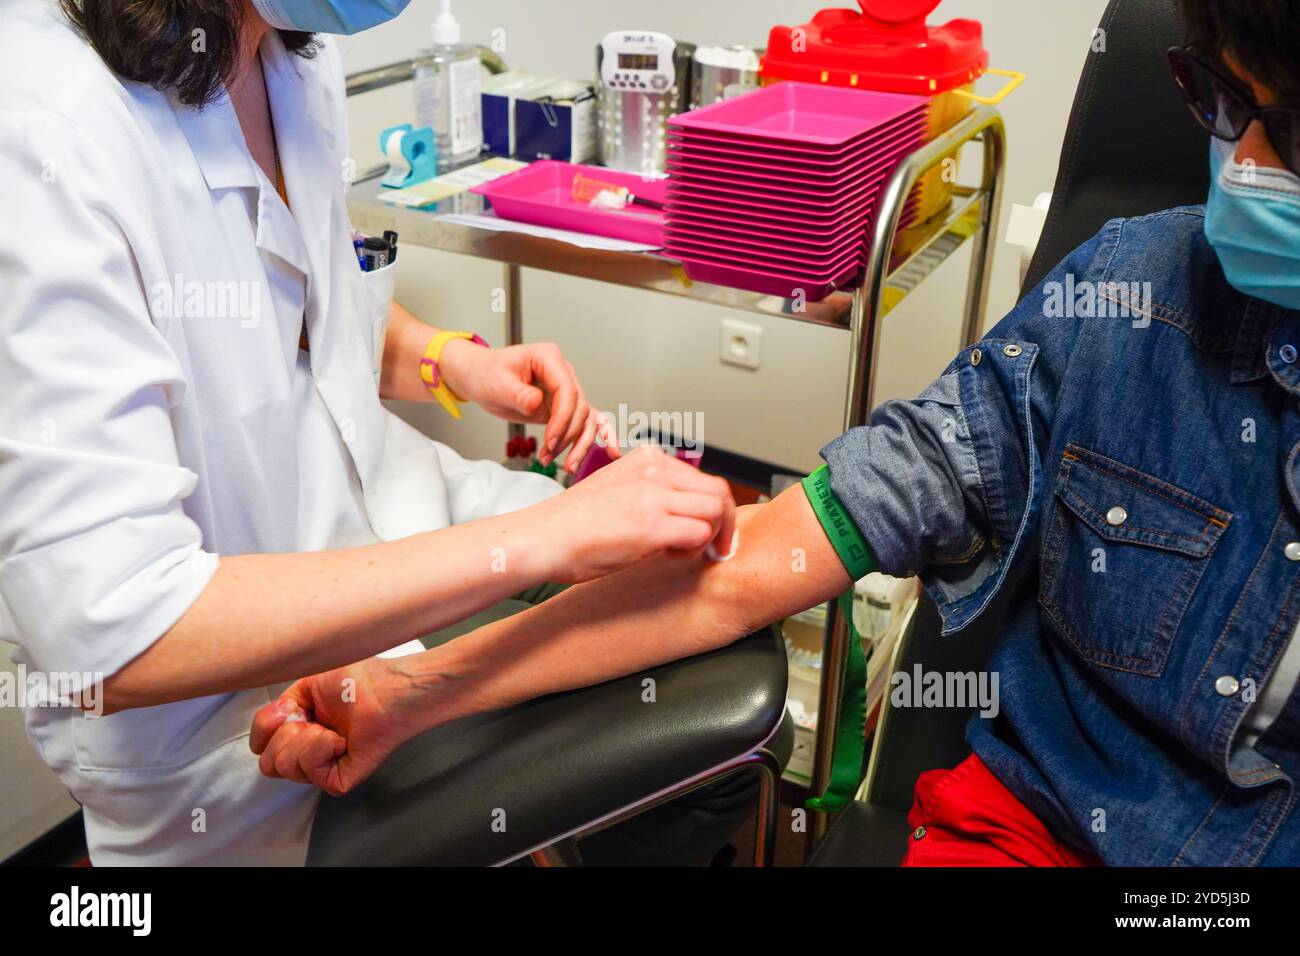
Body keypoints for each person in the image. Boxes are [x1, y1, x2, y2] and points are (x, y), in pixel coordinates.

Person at [255, 0, 1300, 866]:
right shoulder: (1126, 301)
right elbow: (755, 561)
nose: (1242, 164)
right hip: (1041, 831)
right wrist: (405, 691)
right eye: (1218, 103)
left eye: (1287, 131)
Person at [0, 0, 737, 865]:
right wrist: (546, 538)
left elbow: (299, 298)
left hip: (398, 520)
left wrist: (449, 361)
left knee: (706, 607)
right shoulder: (42, 135)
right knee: (697, 736)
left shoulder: (283, 54)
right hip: (238, 729)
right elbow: (116, 633)